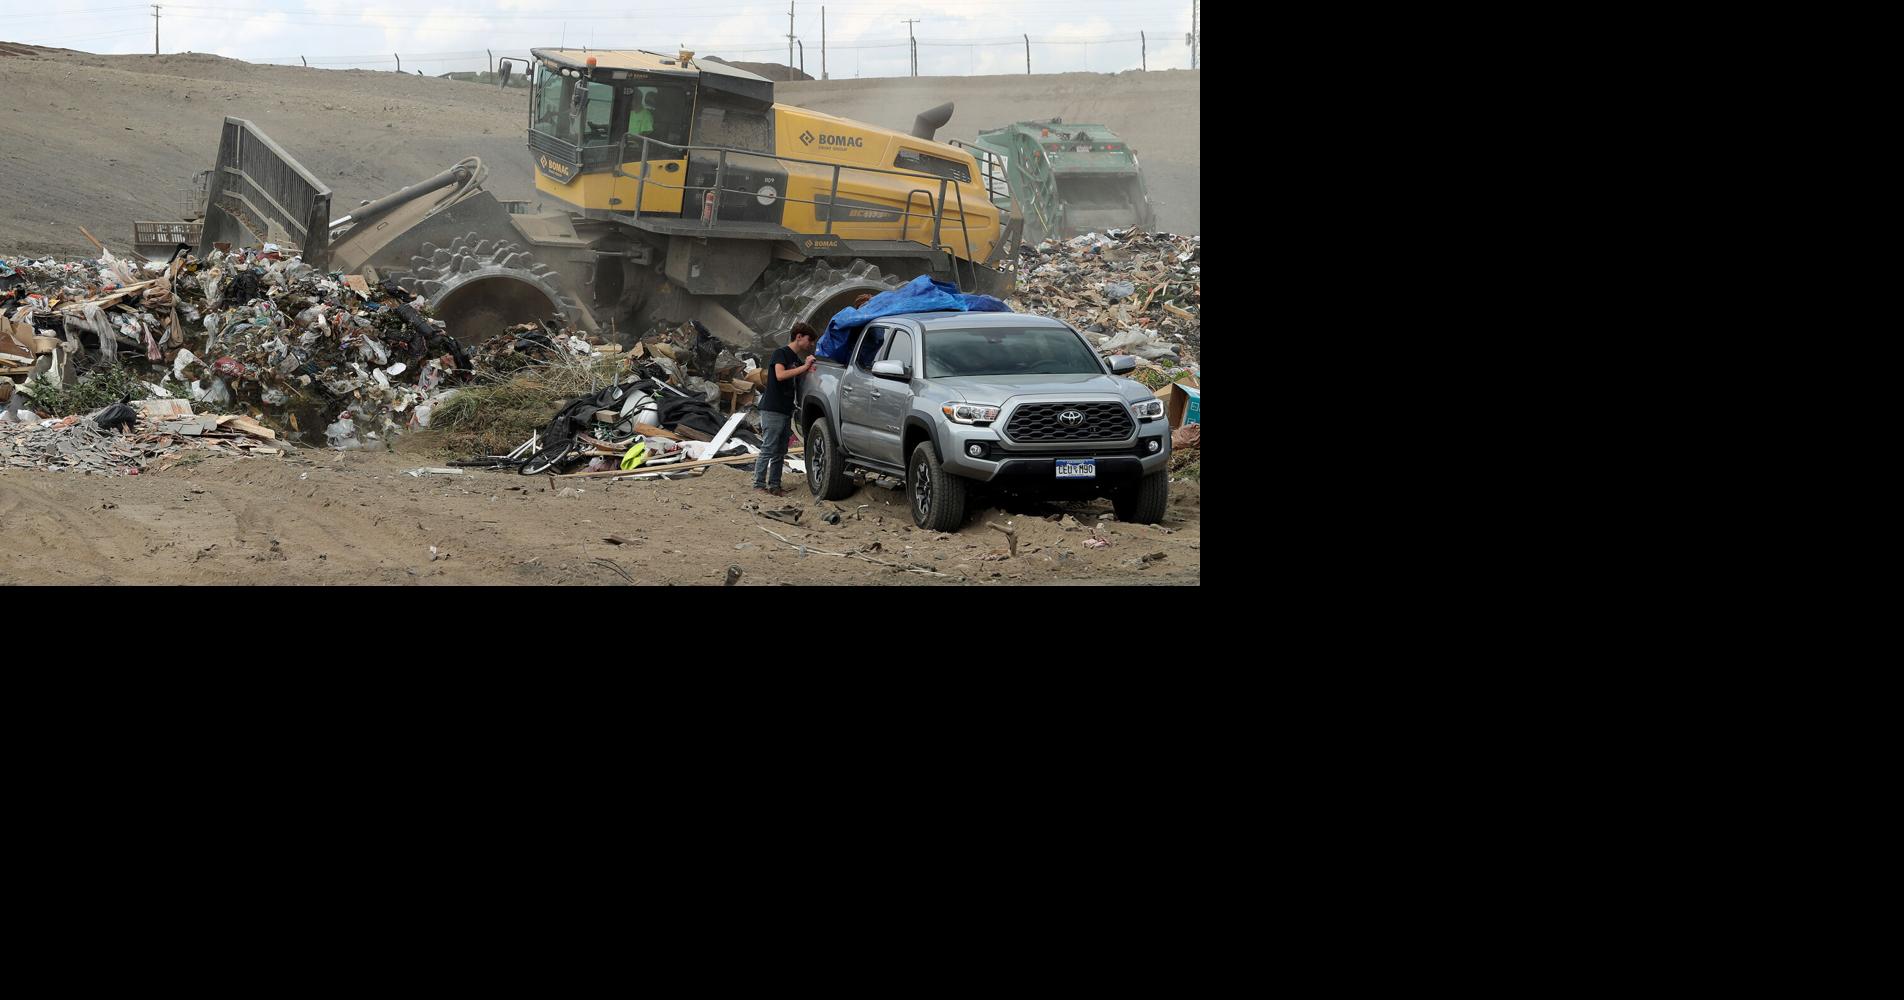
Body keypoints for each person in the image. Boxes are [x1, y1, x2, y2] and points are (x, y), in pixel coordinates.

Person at [753, 321, 817, 495]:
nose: (811, 344)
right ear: (799, 337)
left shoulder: (795, 359)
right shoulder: (780, 354)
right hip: (772, 408)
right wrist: (804, 367)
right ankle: (758, 484)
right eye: (809, 340)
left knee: (780, 450)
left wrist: (808, 369)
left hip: (785, 410)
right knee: (769, 447)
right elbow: (780, 375)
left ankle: (774, 485)